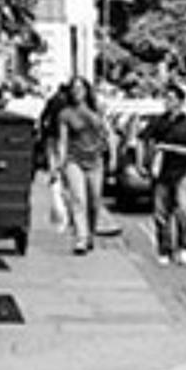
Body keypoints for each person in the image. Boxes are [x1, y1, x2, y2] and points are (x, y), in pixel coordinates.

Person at [142, 82, 186, 266]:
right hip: (162, 173)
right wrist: (144, 162)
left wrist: (169, 148)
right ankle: (164, 249)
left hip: (183, 173)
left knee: (183, 210)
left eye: (171, 99)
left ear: (180, 102)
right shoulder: (157, 122)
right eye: (166, 98)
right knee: (160, 213)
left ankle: (184, 247)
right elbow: (144, 140)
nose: (167, 102)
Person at [56, 76, 111, 255]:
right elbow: (62, 141)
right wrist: (60, 164)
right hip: (74, 160)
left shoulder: (97, 109)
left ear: (87, 91)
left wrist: (87, 111)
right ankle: (81, 238)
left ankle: (90, 234)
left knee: (94, 201)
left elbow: (105, 131)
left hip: (95, 159)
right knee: (79, 199)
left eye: (80, 88)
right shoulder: (65, 114)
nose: (77, 91)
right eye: (74, 88)